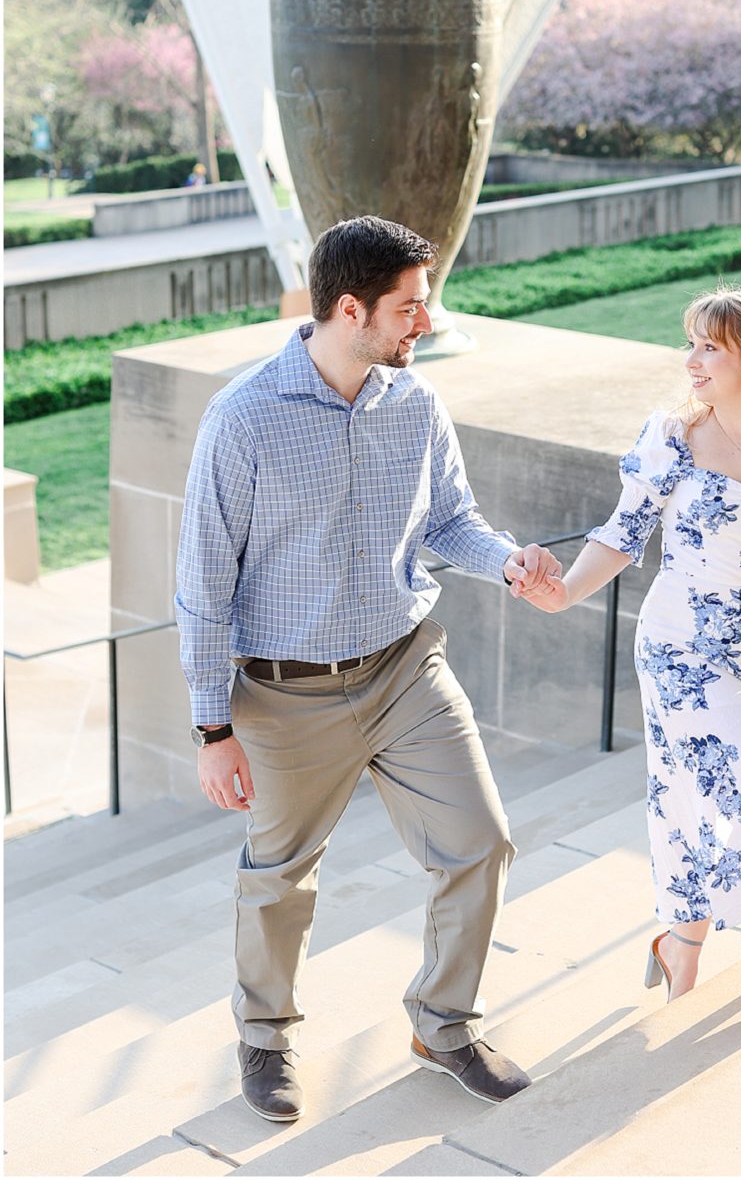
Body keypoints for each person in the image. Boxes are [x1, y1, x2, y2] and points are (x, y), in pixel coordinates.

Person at [175, 216, 560, 1120]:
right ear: (350, 309)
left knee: (481, 841)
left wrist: (505, 559)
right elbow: (201, 585)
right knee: (279, 874)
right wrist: (211, 728)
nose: (423, 320)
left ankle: (443, 1024)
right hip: (284, 692)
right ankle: (264, 1040)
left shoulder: (414, 401)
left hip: (403, 668)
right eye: (409, 306)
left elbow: (447, 521)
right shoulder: (242, 419)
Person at [521, 286, 741, 1026]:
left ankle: (682, 938)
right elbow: (621, 533)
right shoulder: (671, 436)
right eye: (690, 344)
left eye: (710, 346)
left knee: (695, 802)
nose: (691, 361)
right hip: (678, 650)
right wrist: (566, 592)